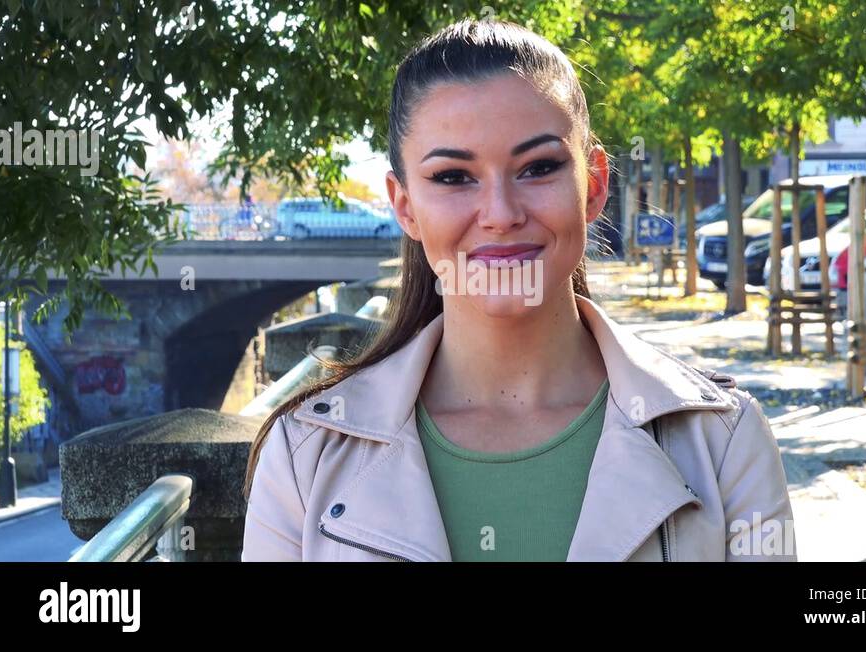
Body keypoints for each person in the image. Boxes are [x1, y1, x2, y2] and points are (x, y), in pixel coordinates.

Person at [241, 18, 795, 562]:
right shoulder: (305, 455)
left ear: (594, 186)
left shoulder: (723, 440)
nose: (501, 215)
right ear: (405, 204)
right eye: (454, 177)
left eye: (538, 167)